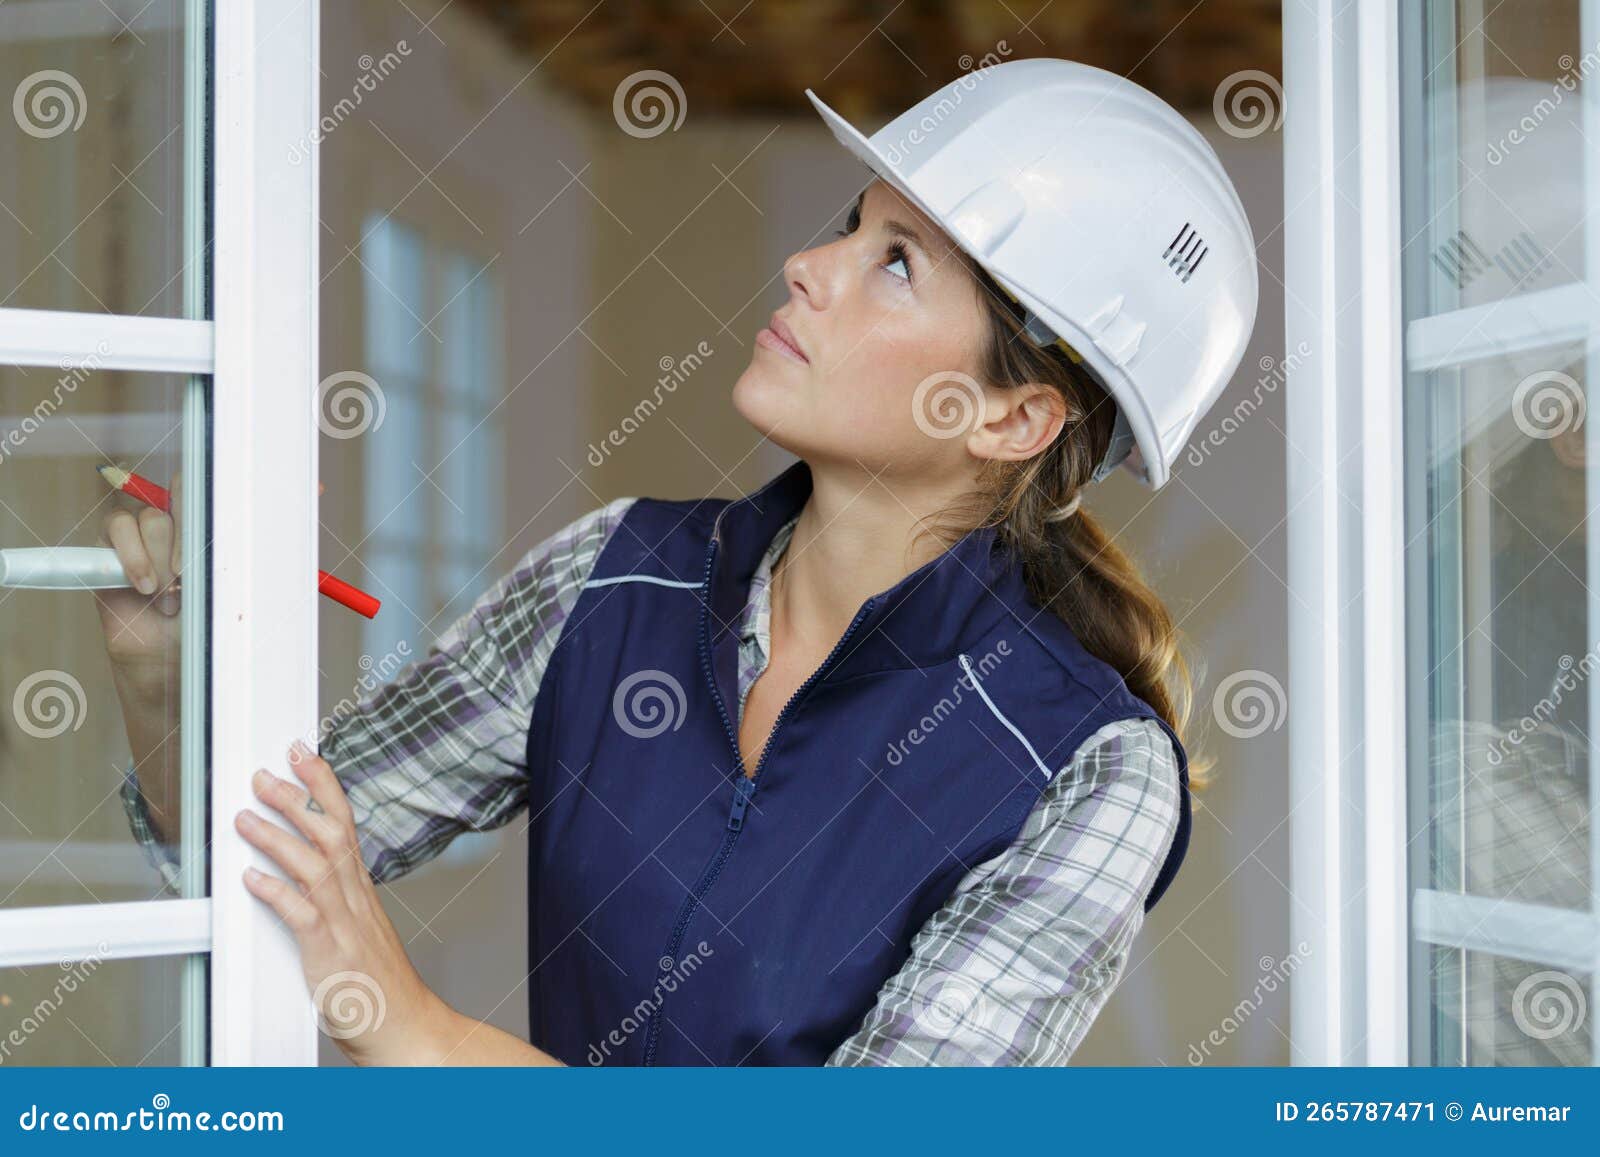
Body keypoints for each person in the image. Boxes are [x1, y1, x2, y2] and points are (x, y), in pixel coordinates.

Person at [98, 58, 1259, 1066]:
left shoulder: (1090, 772)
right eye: (853, 224)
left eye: (896, 263)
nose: (812, 262)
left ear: (1012, 419)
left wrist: (412, 1026)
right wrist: (163, 677)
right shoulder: (612, 574)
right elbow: (250, 861)